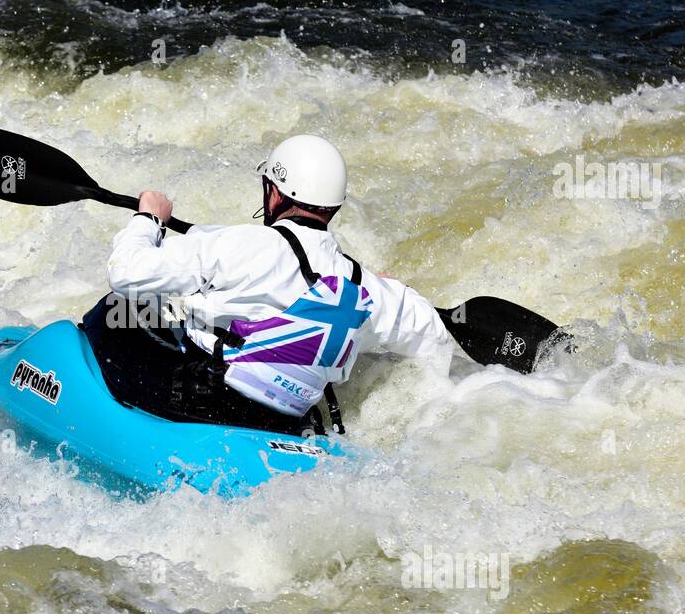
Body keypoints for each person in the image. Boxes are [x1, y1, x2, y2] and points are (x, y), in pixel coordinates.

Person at [81, 134, 453, 436]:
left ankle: (77, 390)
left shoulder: (240, 244)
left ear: (274, 193)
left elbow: (126, 271)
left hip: (200, 403)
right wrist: (384, 289)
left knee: (122, 308)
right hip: (284, 422)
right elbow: (434, 339)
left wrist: (148, 219)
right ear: (334, 208)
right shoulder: (362, 287)